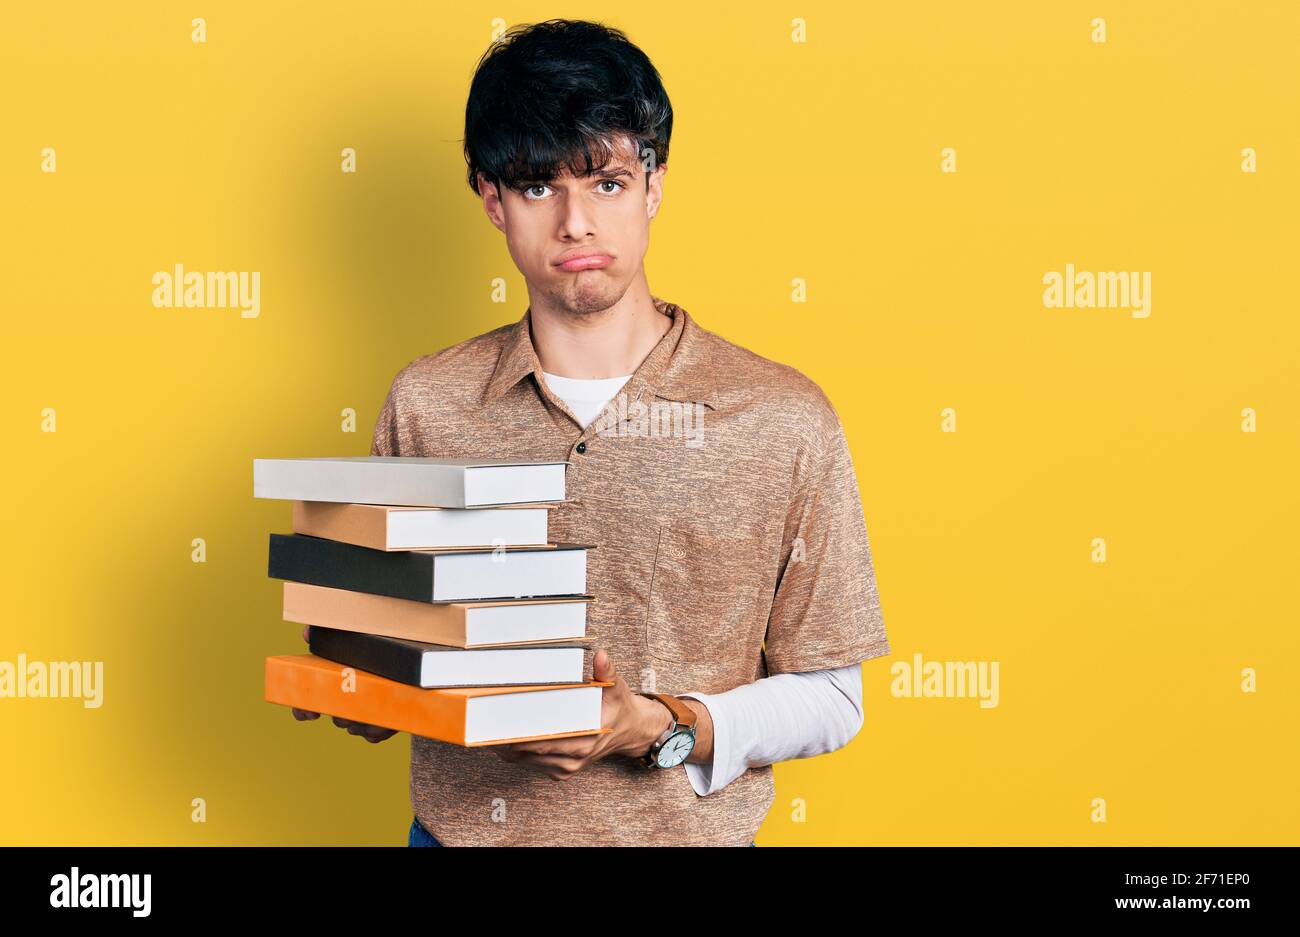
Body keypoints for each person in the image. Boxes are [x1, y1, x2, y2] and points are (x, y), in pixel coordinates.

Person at [292, 18, 889, 847]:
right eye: (539, 186)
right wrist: (356, 686)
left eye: (605, 181)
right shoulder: (427, 404)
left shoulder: (783, 418)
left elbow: (833, 696)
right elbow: (370, 664)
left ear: (654, 185)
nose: (575, 223)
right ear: (491, 199)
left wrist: (654, 724)